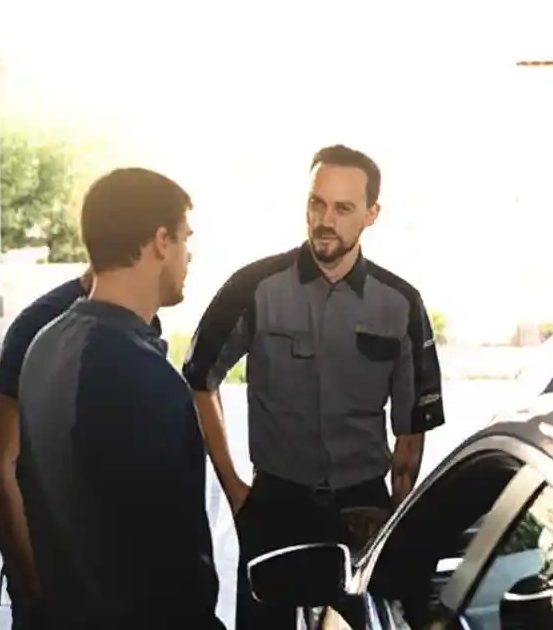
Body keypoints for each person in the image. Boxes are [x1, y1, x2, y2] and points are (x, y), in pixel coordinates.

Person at [183, 144, 444, 629]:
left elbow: (409, 441)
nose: (326, 219)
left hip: (363, 512)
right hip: (275, 506)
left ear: (371, 214)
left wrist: (397, 530)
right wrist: (237, 490)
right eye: (316, 203)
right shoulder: (254, 288)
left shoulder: (401, 304)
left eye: (344, 208)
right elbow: (199, 377)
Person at [16, 167, 224, 629]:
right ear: (160, 241)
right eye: (185, 238)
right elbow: (173, 561)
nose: (189, 255)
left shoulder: (45, 345)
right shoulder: (140, 375)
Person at [0, 269, 163, 627]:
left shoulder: (138, 322)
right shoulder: (44, 324)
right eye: (178, 237)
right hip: (59, 589)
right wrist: (34, 589)